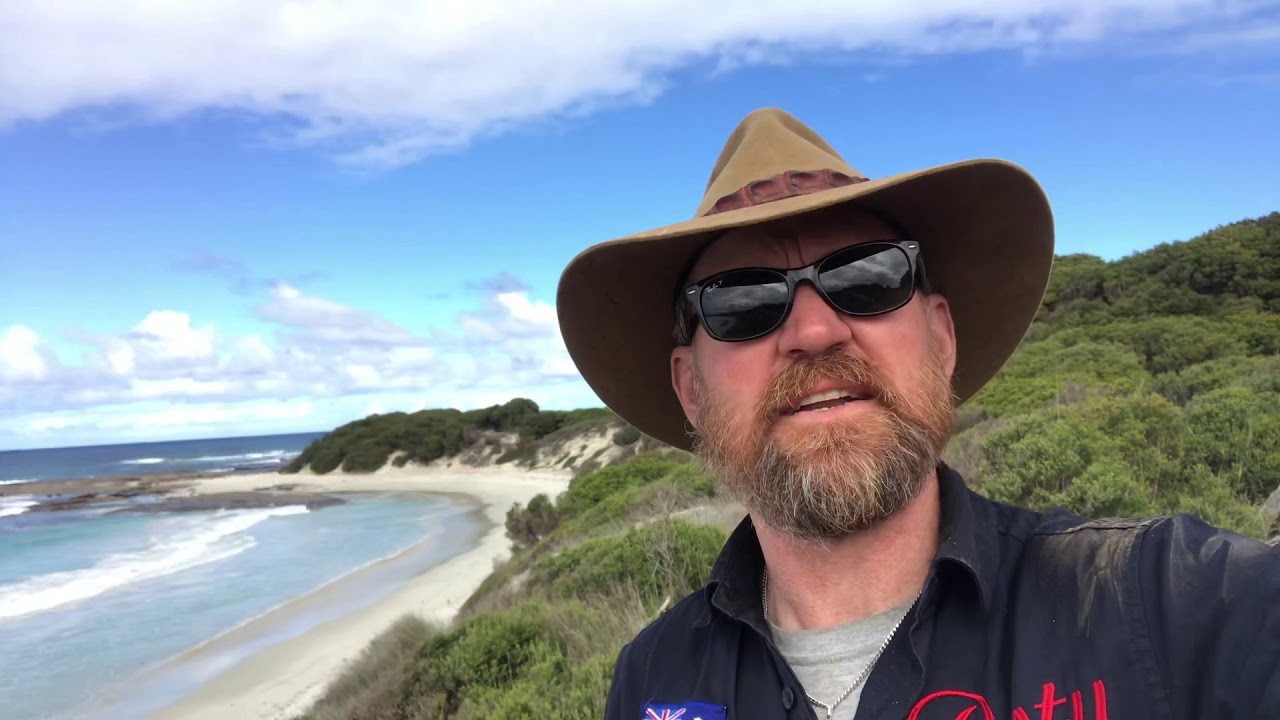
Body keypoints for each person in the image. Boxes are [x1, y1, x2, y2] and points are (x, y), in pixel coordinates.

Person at [555, 108, 1279, 720]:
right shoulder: (651, 680)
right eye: (743, 303)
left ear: (941, 337)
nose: (814, 332)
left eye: (867, 277)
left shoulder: (1173, 602)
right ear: (690, 388)